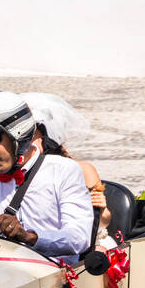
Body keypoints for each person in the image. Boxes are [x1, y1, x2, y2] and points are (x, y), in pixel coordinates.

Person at [0, 84, 93, 260]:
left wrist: (29, 236)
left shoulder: (64, 171)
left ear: (18, 134)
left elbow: (79, 237)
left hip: (54, 277)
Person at [22, 93, 113, 249]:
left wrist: (101, 209)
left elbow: (102, 222)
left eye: (31, 136)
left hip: (83, 246)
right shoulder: (18, 171)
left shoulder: (81, 170)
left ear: (47, 136)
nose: (24, 143)